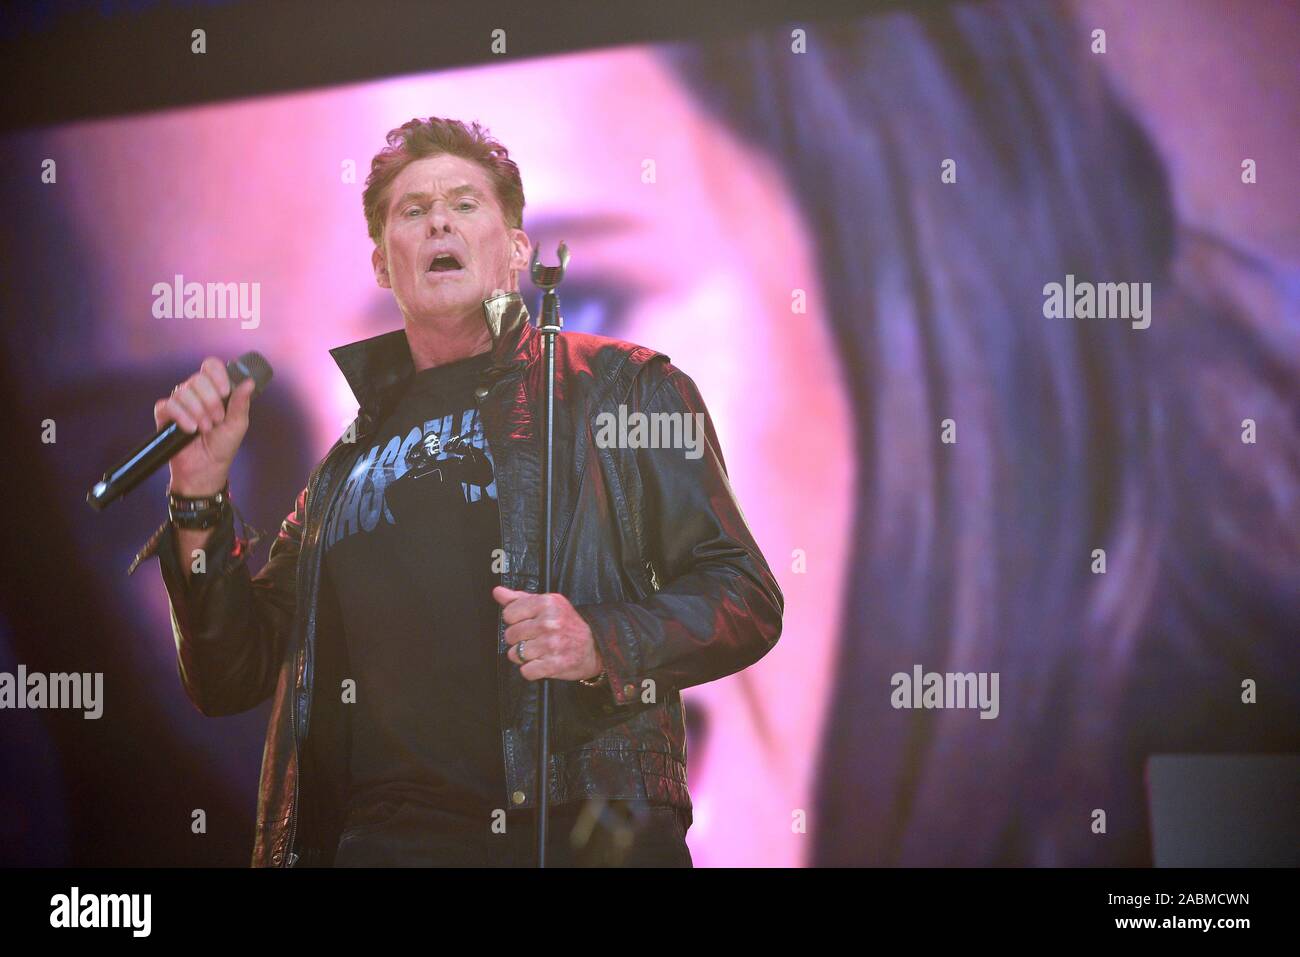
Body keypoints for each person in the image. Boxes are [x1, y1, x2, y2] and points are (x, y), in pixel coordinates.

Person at [137, 117, 784, 867]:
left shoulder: (623, 387)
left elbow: (743, 594)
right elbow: (229, 675)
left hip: (574, 830)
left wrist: (600, 641)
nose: (439, 218)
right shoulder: (341, 470)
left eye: (465, 203)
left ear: (516, 249)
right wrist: (198, 497)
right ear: (383, 263)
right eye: (412, 211)